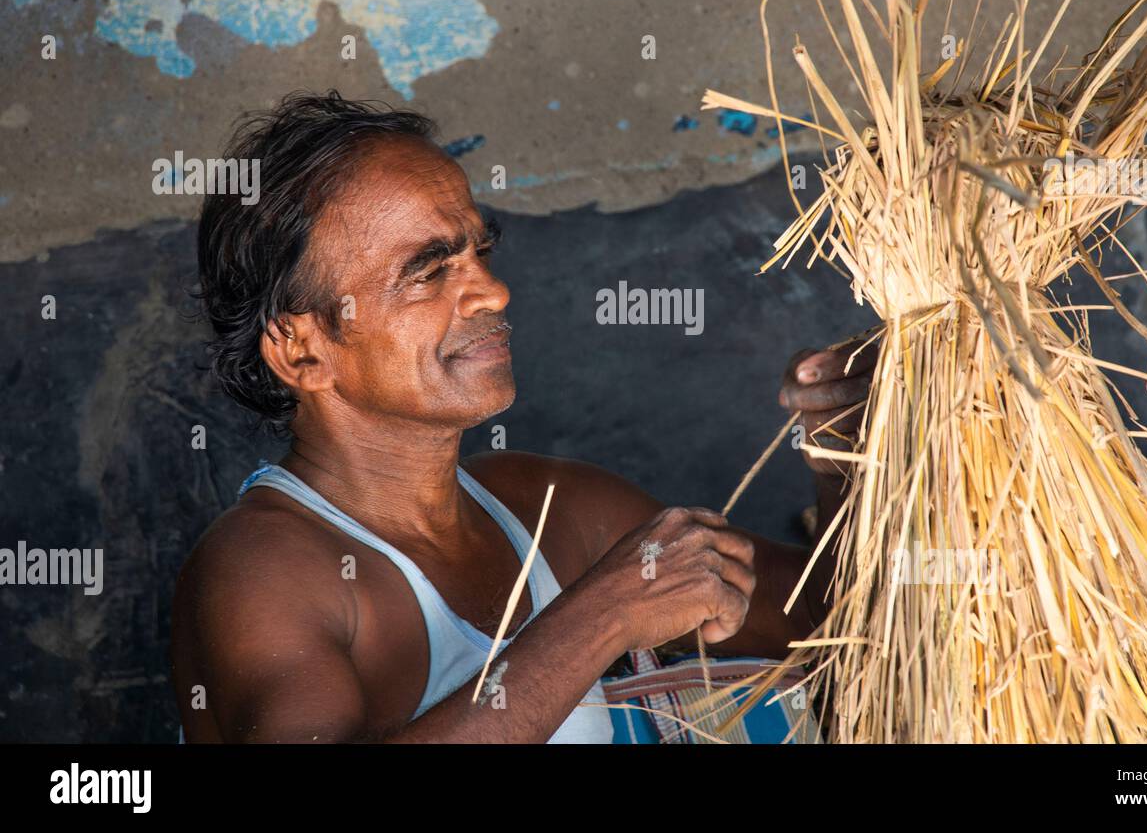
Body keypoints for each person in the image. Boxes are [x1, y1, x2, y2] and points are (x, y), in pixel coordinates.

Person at [170, 91, 872, 743]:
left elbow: (837, 624)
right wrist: (602, 615)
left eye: (481, 253)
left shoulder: (552, 511)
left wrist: (843, 456)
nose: (493, 294)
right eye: (427, 270)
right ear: (302, 349)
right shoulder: (262, 570)